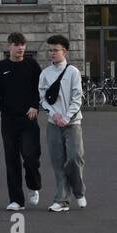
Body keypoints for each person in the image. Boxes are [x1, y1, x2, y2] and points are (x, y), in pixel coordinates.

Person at [0, 32, 42, 211]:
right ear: (9, 46)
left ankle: (33, 186)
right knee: (11, 161)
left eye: (23, 45)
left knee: (30, 157)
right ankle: (16, 200)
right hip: (9, 121)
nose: (20, 48)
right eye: (16, 44)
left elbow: (40, 89)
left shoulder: (32, 65)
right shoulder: (1, 67)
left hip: (29, 118)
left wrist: (36, 105)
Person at [38, 35, 86, 211]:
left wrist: (66, 117)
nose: (52, 53)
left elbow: (77, 98)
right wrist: (54, 115)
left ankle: (79, 191)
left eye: (55, 50)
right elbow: (42, 100)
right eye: (50, 50)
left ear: (64, 51)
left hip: (73, 123)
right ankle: (61, 200)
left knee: (74, 158)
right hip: (53, 123)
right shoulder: (45, 74)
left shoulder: (73, 72)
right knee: (58, 162)